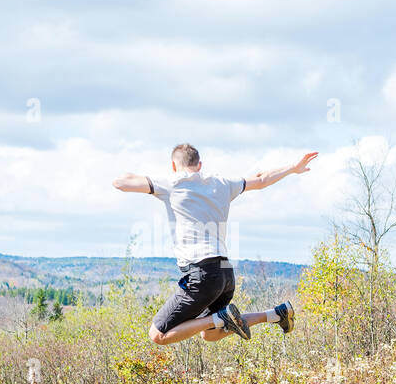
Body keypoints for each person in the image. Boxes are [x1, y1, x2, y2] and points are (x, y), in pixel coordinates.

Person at [112, 143, 318, 345]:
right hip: (225, 273)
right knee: (210, 334)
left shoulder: (171, 183)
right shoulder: (222, 183)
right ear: (200, 164)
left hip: (201, 274)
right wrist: (292, 167)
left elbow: (120, 183)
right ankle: (275, 314)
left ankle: (220, 317)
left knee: (158, 334)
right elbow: (261, 178)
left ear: (173, 166)